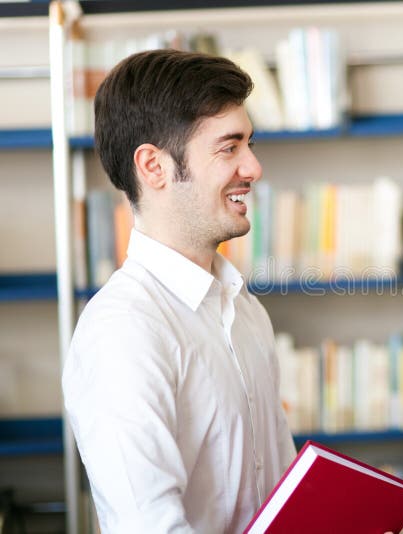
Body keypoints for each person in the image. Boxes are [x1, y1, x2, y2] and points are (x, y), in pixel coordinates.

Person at [62, 49, 296, 532]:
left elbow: (280, 500)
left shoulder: (244, 310)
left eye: (249, 144)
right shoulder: (123, 332)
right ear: (154, 167)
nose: (253, 168)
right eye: (229, 148)